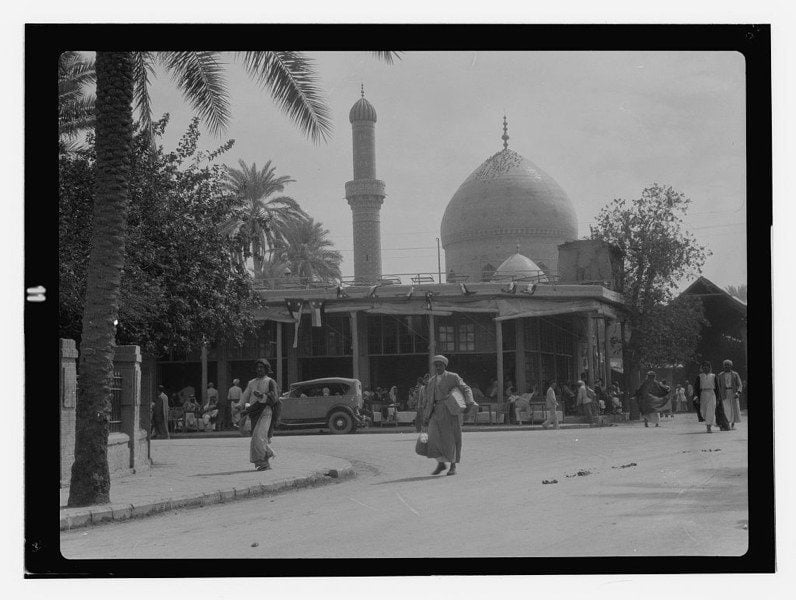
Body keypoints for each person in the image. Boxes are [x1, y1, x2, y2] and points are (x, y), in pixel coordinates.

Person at [421, 355, 476, 476]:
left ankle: (453, 465)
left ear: (445, 366)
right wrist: (426, 417)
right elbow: (429, 400)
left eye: (440, 365)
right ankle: (441, 463)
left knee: (451, 438)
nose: (438, 367)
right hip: (435, 411)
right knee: (433, 437)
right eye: (436, 365)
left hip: (450, 409)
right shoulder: (431, 381)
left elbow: (466, 388)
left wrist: (469, 402)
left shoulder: (453, 377)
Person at [240, 358, 279, 471]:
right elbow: (245, 395)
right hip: (254, 413)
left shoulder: (270, 381)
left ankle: (264, 463)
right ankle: (266, 457)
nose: (259, 369)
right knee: (257, 438)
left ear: (266, 369)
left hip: (266, 412)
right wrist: (239, 405)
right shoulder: (251, 383)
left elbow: (274, 397)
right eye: (258, 367)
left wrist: (262, 396)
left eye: (262, 367)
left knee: (259, 437)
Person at [693, 361, 730, 433]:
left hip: (712, 394)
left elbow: (717, 388)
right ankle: (707, 423)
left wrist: (718, 398)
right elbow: (696, 388)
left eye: (707, 366)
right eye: (704, 366)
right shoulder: (699, 377)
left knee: (711, 410)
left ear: (709, 368)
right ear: (702, 368)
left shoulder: (713, 376)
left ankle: (708, 427)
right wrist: (696, 397)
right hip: (703, 394)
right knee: (704, 411)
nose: (705, 368)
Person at [719, 359, 743, 429]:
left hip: (733, 392)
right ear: (723, 366)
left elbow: (740, 385)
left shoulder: (735, 374)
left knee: (734, 408)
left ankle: (732, 423)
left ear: (731, 366)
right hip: (724, 393)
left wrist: (738, 392)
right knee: (726, 409)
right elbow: (718, 385)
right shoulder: (720, 375)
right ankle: (727, 423)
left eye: (728, 365)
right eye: (725, 365)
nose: (727, 366)